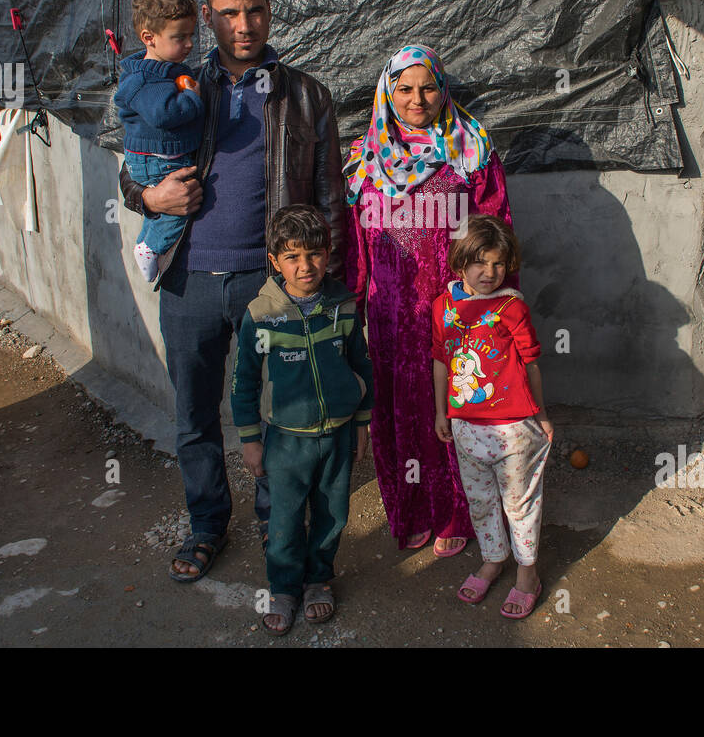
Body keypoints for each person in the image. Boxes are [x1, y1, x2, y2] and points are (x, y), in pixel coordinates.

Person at [117, 0, 345, 581]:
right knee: (194, 414)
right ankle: (207, 525)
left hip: (270, 286)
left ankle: (278, 523)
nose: (244, 25)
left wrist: (332, 286)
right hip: (188, 279)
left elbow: (329, 199)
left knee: (282, 412)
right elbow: (132, 166)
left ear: (269, 10)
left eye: (256, 10)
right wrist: (149, 200)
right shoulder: (178, 89)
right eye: (229, 13)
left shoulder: (305, 94)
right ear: (208, 15)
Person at [344, 43, 512, 556]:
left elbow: (496, 228)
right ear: (387, 92)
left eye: (429, 87)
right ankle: (410, 508)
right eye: (405, 88)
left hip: (455, 311)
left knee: (454, 409)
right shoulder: (364, 157)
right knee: (401, 411)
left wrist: (494, 306)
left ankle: (457, 512)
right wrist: (351, 304)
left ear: (444, 89)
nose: (418, 99)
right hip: (391, 315)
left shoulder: (472, 149)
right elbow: (354, 241)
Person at [231, 205, 372, 634]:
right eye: (292, 257)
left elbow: (361, 364)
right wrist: (251, 439)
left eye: (314, 254)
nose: (305, 266)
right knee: (285, 518)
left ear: (328, 253)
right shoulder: (260, 314)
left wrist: (362, 422)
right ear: (275, 262)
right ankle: (284, 587)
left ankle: (318, 581)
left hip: (338, 434)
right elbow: (244, 381)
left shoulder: (343, 304)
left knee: (332, 515)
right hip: (286, 441)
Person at [432, 214, 552, 619]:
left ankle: (527, 574)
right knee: (481, 501)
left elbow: (531, 362)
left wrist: (542, 415)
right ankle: (493, 558)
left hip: (515, 428)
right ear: (460, 261)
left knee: (519, 504)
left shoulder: (511, 307)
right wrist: (441, 412)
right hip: (466, 428)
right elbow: (440, 362)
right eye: (480, 262)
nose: (490, 272)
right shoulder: (442, 307)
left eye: (499, 263)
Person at [113, 0, 204, 281]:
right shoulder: (143, 79)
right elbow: (164, 114)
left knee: (164, 211)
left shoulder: (163, 70)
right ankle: (151, 248)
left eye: (191, 35)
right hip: (159, 159)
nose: (188, 44)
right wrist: (192, 97)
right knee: (179, 207)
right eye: (179, 37)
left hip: (158, 156)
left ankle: (146, 243)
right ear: (149, 39)